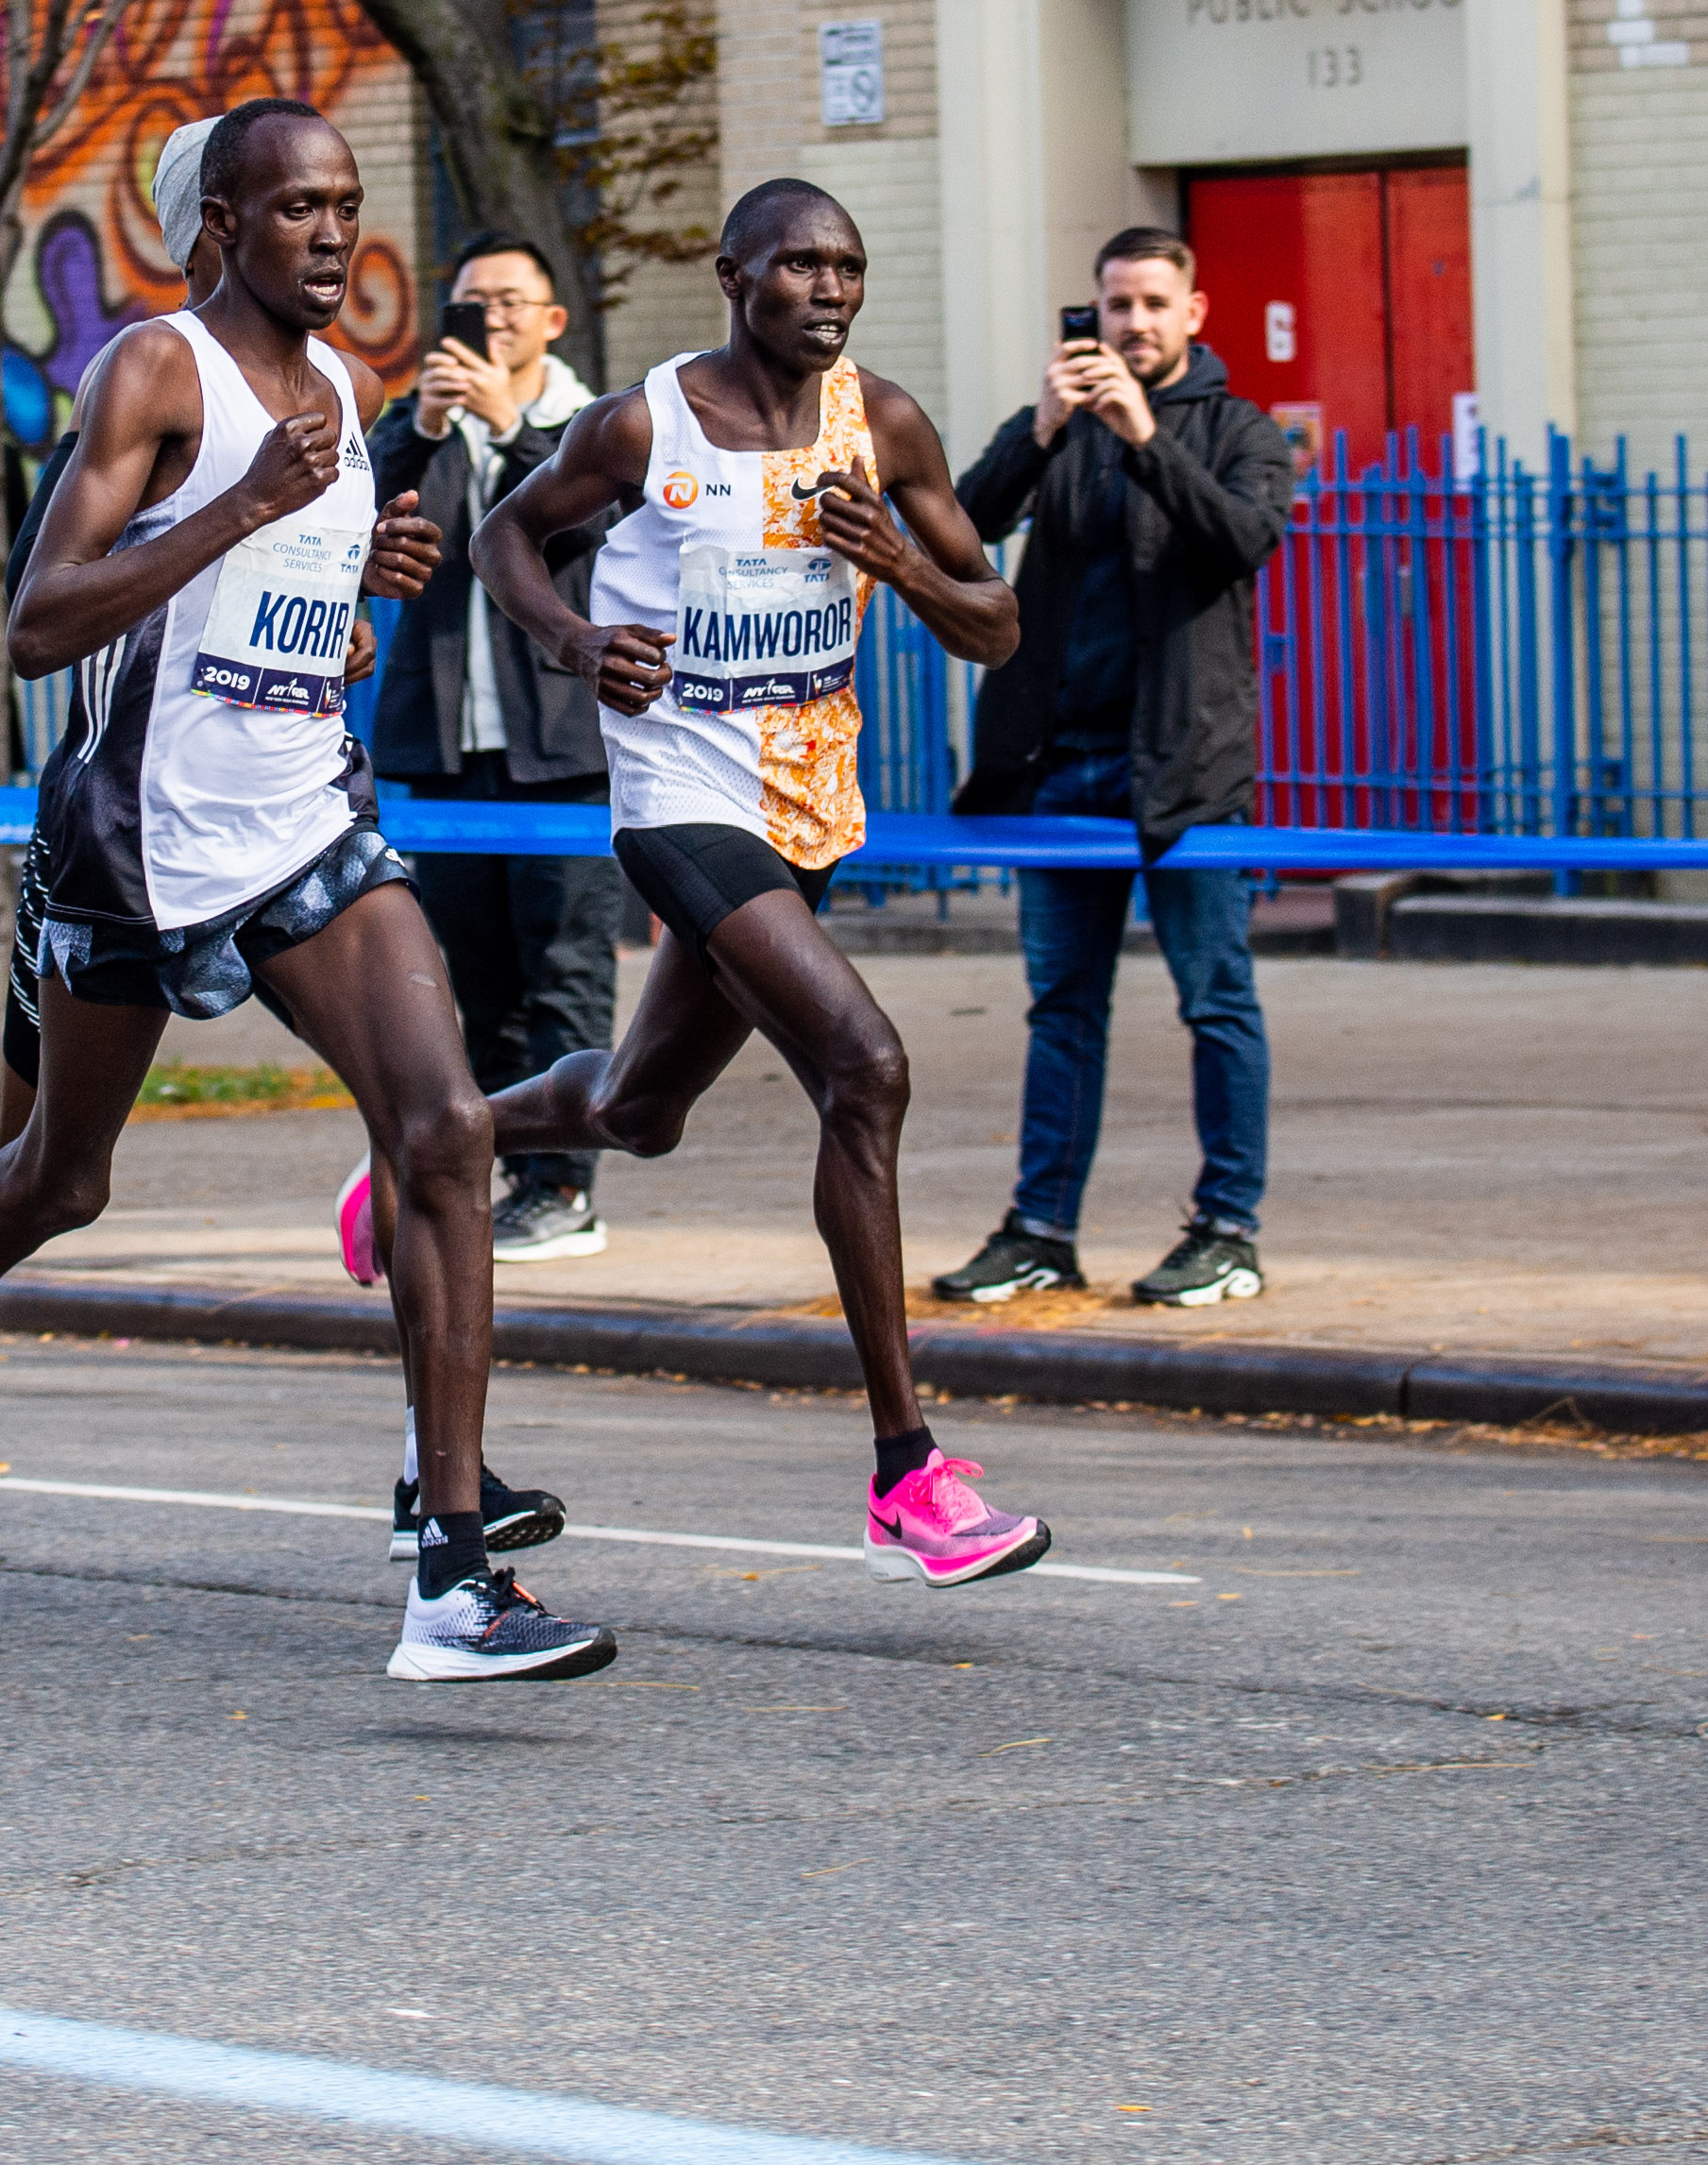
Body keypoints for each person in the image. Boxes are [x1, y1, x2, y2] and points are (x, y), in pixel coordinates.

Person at [0, 102, 613, 1683]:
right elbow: (41, 624)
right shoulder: (153, 370)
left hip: (305, 820)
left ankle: (452, 1564)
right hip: (136, 838)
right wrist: (245, 509)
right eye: (295, 207)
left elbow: (284, 631)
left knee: (444, 1128)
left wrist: (351, 597)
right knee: (54, 1174)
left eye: (346, 202)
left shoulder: (350, 393)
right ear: (218, 222)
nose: (332, 234)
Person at [474, 178, 1057, 1588]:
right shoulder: (645, 425)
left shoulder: (885, 424)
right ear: (733, 275)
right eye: (798, 264)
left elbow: (996, 627)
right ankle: (906, 1475)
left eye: (846, 266)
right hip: (678, 796)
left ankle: (441, 1137)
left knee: (639, 1111)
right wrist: (572, 642)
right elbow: (504, 537)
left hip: (806, 810)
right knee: (866, 1066)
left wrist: (899, 562)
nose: (828, 288)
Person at [934, 226, 1296, 1310]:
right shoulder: (1060, 426)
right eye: (1114, 305)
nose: (1131, 324)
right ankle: (1040, 1230)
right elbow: (957, 528)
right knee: (1060, 1010)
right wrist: (1041, 431)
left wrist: (1145, 438)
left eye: (1151, 304)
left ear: (1192, 314)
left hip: (1184, 773)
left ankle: (1226, 1230)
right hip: (1060, 770)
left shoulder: (1239, 430)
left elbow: (1242, 540)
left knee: (1215, 1001)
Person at [365, 234, 626, 1262]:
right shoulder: (425, 426)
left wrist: (513, 429)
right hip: (449, 749)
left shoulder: (597, 427)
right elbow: (357, 520)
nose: (494, 318)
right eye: (474, 300)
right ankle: (505, 1172)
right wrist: (426, 426)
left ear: (552, 320)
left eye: (513, 301)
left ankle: (564, 1186)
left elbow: (585, 538)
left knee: (565, 968)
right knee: (475, 978)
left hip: (562, 752)